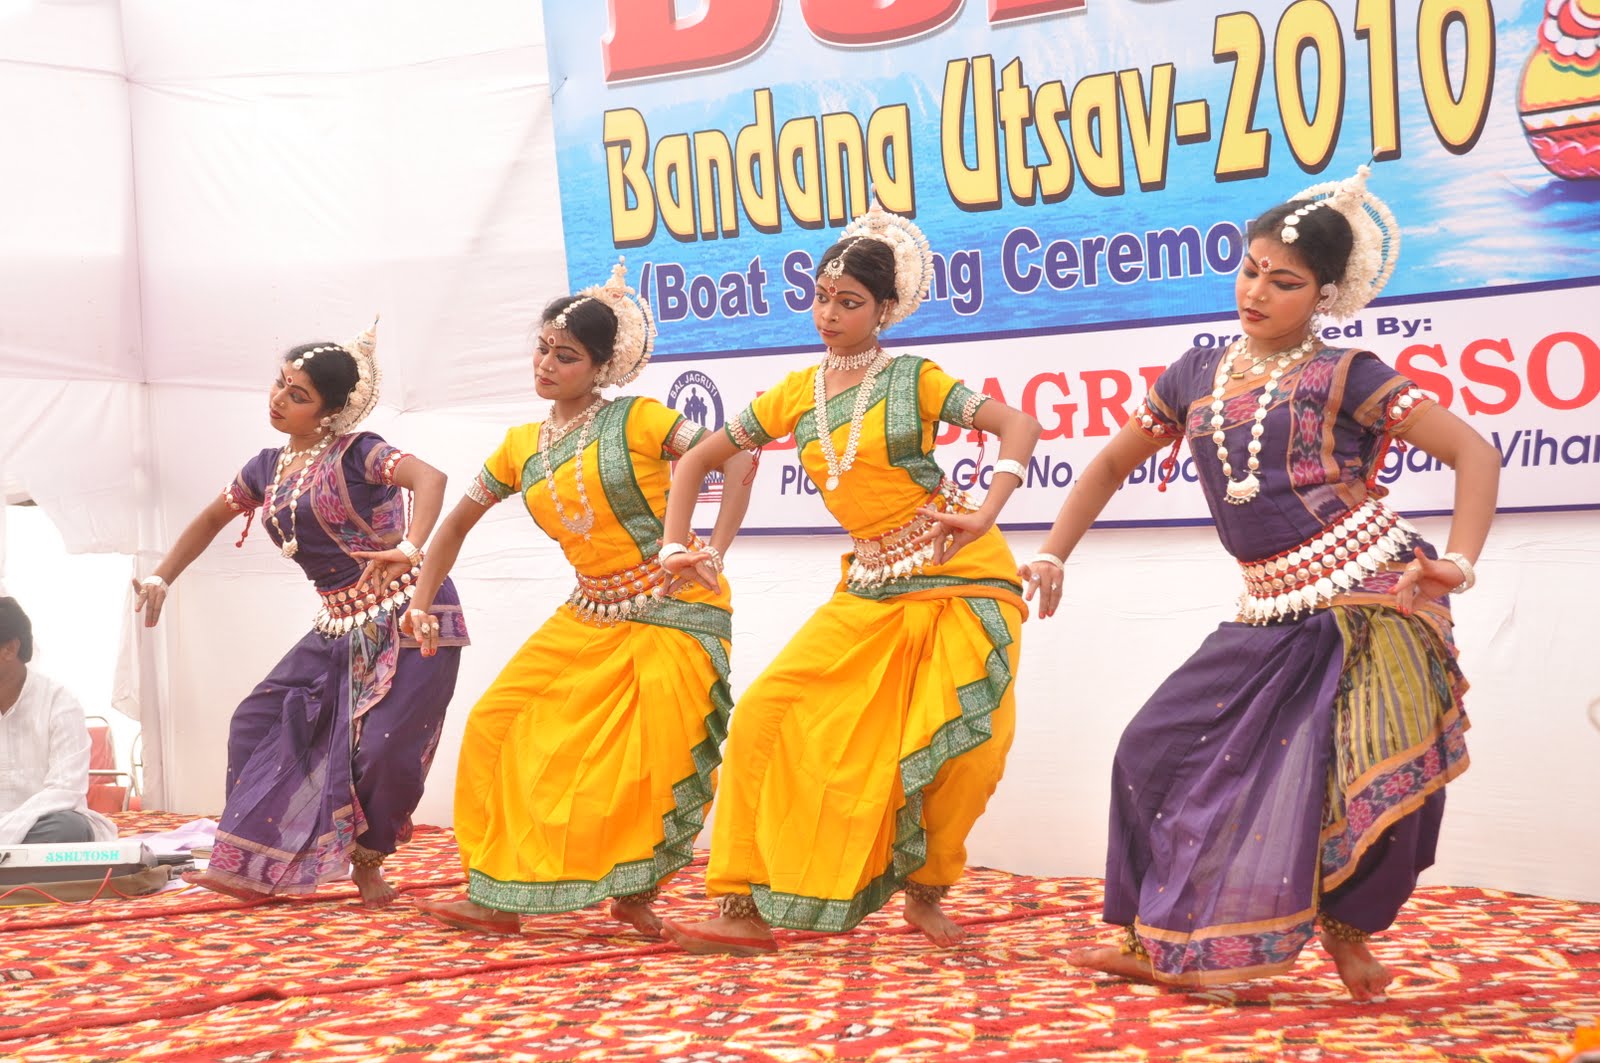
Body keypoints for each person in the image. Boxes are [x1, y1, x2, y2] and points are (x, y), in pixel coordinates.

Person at [1026, 166, 1498, 999]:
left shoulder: (1351, 373)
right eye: (1250, 269)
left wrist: (1456, 564)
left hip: (1372, 593)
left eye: (1285, 282)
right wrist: (1054, 552)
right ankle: (1146, 937)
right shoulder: (1194, 374)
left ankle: (1349, 934)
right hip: (1271, 606)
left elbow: (1475, 453)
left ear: (1325, 295)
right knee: (1151, 748)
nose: (1256, 291)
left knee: (1369, 769)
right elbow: (1106, 464)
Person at [655, 199, 1043, 955]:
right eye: (822, 297)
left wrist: (987, 511)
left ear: (886, 308)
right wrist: (676, 546)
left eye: (850, 302)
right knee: (766, 712)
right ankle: (739, 905)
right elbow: (700, 458)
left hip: (957, 571)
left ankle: (927, 891)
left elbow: (1017, 425)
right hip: (870, 582)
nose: (829, 314)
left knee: (966, 747)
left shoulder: (915, 378)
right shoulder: (794, 393)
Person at [409, 263, 754, 937]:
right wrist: (421, 601)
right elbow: (453, 526)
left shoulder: (641, 420)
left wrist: (710, 549)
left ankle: (634, 888)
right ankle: (495, 890)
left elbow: (737, 456)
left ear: (601, 367)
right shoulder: (520, 448)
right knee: (496, 723)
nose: (546, 364)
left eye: (565, 356)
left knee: (651, 757)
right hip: (590, 609)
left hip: (673, 604)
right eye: (542, 348)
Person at [132, 322, 466, 908]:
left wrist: (412, 548)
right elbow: (211, 518)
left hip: (412, 614)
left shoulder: (360, 452)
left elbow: (430, 478)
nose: (279, 400)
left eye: (298, 394)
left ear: (331, 411)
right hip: (338, 624)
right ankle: (254, 863)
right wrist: (162, 575)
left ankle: (368, 864)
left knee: (383, 749)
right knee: (255, 721)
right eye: (280, 384)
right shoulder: (266, 468)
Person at [0, 596, 118, 846]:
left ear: (9, 649)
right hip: (24, 840)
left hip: (42, 824)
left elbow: (65, 790)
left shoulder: (59, 703)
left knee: (69, 827)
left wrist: (8, 829)